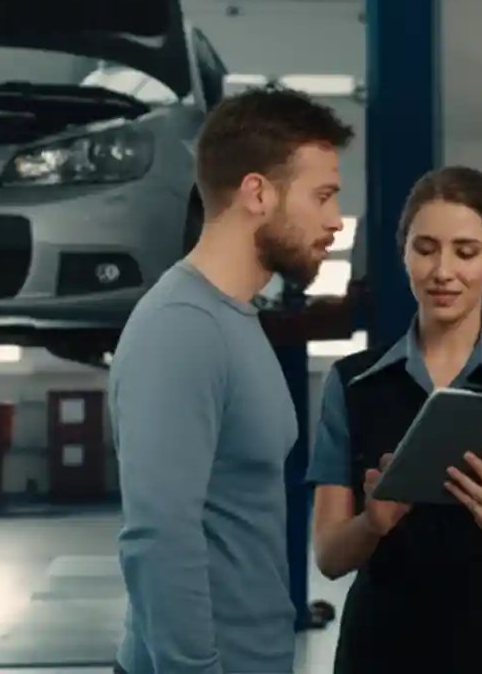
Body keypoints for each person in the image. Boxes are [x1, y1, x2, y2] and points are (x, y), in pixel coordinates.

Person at [305, 165, 482, 673]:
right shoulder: (353, 386)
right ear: (404, 252)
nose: (443, 271)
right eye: (425, 248)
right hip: (382, 650)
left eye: (466, 251)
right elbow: (329, 555)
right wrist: (372, 523)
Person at [108, 86, 354, 674]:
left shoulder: (234, 318)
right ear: (257, 193)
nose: (335, 221)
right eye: (321, 197)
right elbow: (159, 539)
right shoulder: (182, 327)